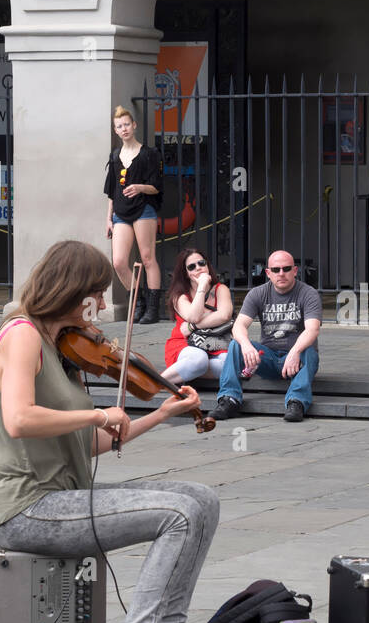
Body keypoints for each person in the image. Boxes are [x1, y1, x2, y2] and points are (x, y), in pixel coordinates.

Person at [0, 239, 217, 623]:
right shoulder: (22, 336)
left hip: (65, 499)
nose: (100, 302)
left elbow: (88, 445)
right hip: (28, 509)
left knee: (203, 499)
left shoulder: (62, 347)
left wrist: (160, 414)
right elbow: (18, 419)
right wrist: (93, 414)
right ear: (71, 289)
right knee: (179, 515)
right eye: (96, 291)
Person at [209, 249, 322, 423]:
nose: (281, 273)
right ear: (268, 273)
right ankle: (229, 399)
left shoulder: (308, 293)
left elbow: (312, 329)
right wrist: (246, 345)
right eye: (276, 270)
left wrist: (295, 352)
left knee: (309, 351)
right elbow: (239, 325)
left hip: (297, 360)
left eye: (286, 268)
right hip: (268, 357)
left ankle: (296, 402)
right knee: (235, 346)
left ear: (295, 270)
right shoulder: (258, 293)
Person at [104, 106, 164, 324]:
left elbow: (156, 187)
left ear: (134, 125)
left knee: (148, 258)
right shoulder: (114, 156)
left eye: (127, 124)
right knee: (119, 262)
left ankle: (153, 308)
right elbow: (111, 191)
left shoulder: (149, 154)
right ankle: (138, 301)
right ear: (116, 130)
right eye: (119, 126)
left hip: (144, 209)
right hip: (120, 212)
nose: (124, 128)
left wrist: (139, 187)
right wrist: (108, 219)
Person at [162, 247, 234, 386]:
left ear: (207, 265)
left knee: (229, 363)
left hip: (216, 341)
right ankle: (158, 382)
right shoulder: (179, 295)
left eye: (202, 263)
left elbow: (224, 315)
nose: (198, 268)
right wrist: (201, 286)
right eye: (192, 266)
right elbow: (193, 316)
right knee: (199, 359)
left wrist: (192, 326)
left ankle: (189, 372)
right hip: (185, 343)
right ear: (186, 273)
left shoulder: (220, 289)